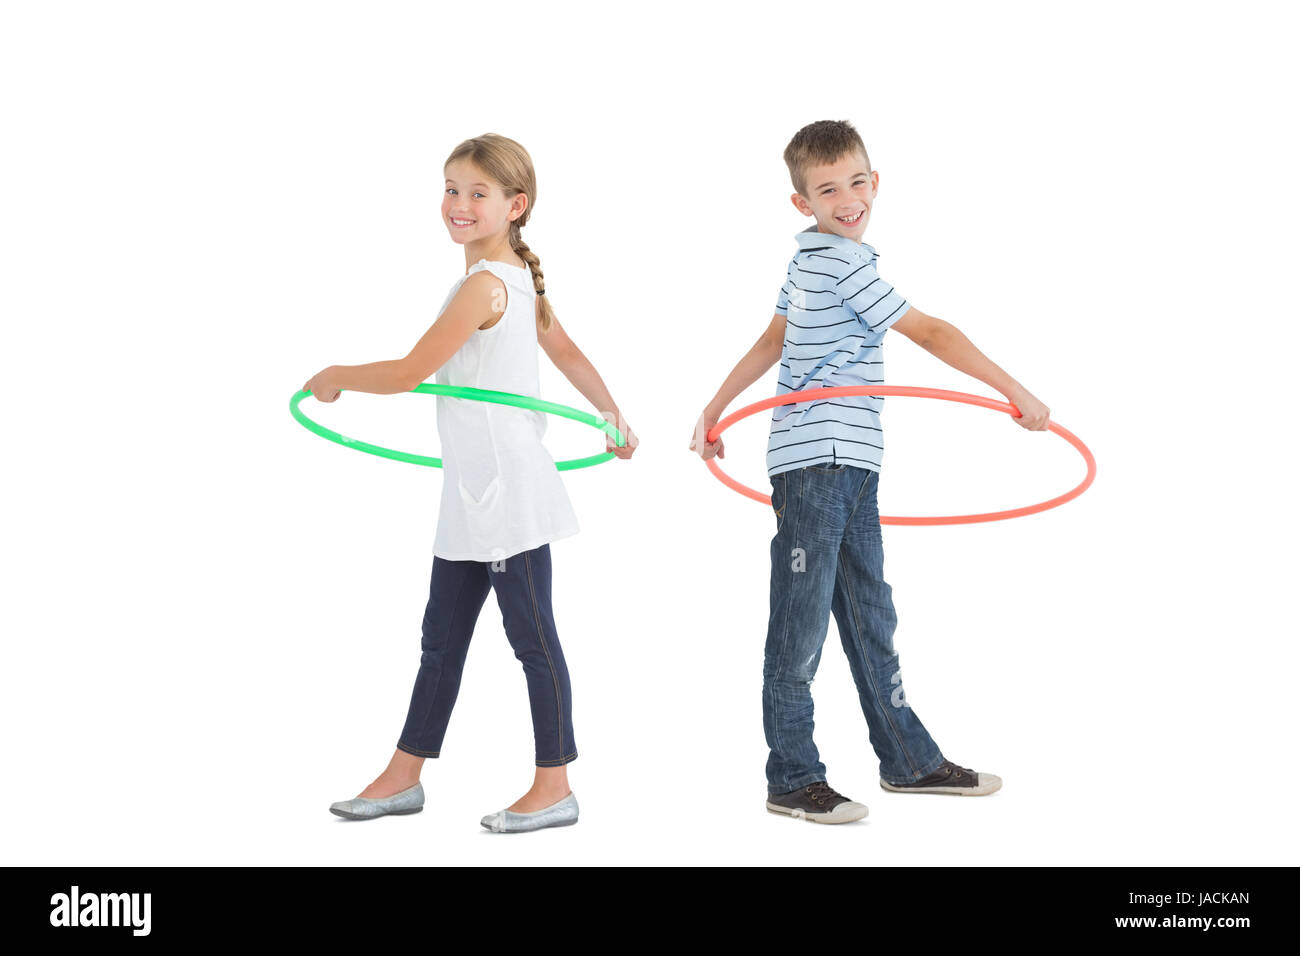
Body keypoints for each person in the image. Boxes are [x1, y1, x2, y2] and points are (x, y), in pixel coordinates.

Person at [690, 119, 1049, 824]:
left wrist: (714, 408)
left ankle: (909, 762)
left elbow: (773, 339)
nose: (847, 197)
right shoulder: (837, 262)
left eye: (857, 181)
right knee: (800, 628)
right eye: (828, 189)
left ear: (875, 182)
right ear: (804, 203)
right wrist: (1018, 393)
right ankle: (793, 777)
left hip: (851, 461)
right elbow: (932, 332)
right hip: (817, 458)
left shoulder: (815, 261)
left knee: (868, 615)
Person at [304, 133, 637, 833]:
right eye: (452, 189)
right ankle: (403, 776)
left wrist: (336, 376)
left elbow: (405, 373)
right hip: (470, 493)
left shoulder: (487, 285)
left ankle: (555, 785)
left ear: (516, 206)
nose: (458, 204)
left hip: (509, 494)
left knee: (533, 638)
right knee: (442, 639)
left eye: (477, 193)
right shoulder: (509, 278)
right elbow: (566, 348)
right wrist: (609, 416)